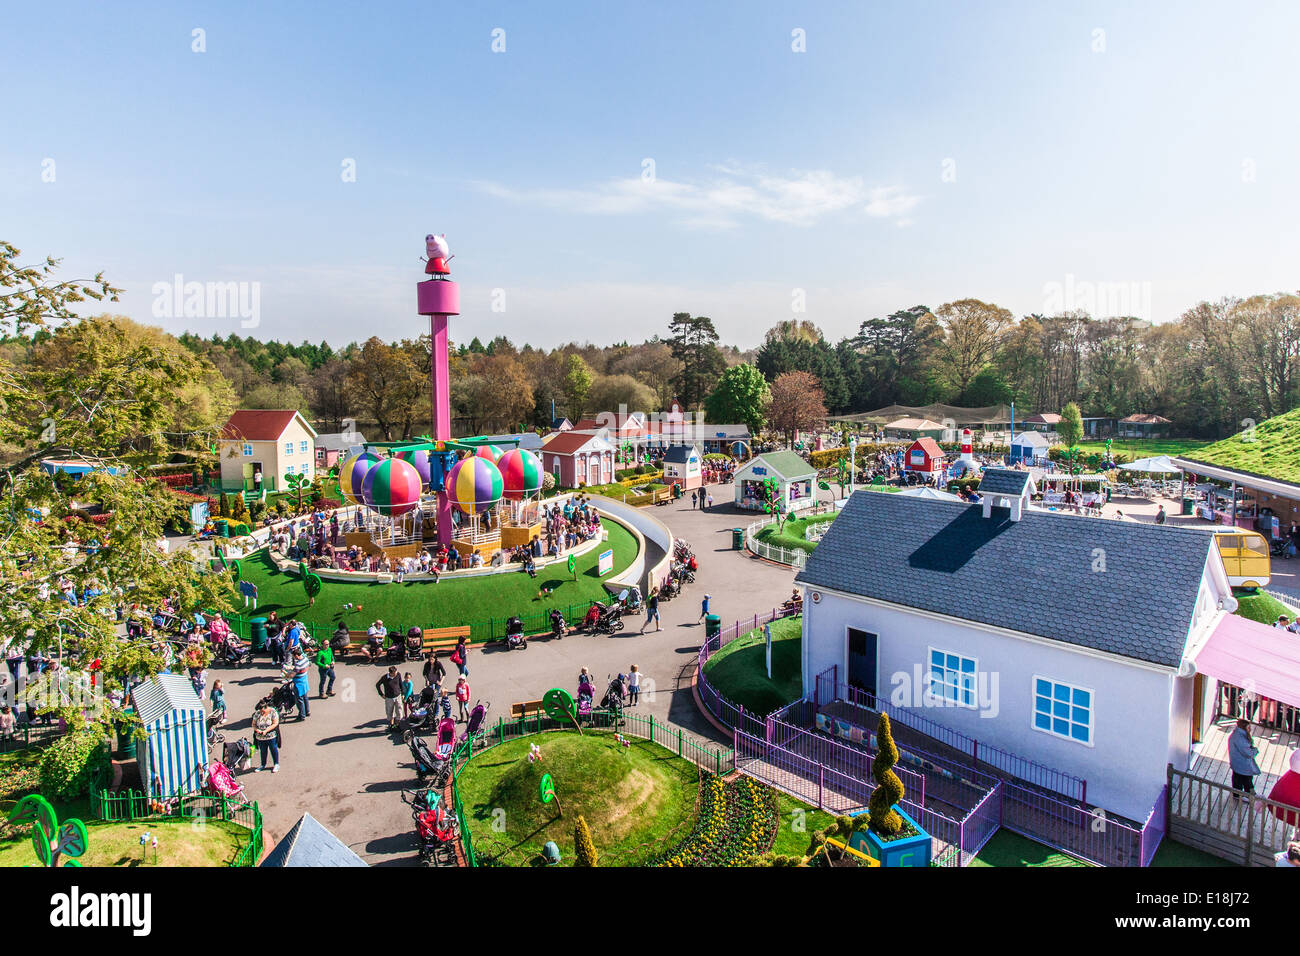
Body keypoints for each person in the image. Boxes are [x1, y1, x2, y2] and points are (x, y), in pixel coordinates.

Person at [1228, 718, 1262, 796]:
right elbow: (1248, 752)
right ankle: (1249, 795)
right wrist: (1255, 751)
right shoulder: (1241, 738)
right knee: (1247, 781)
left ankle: (1237, 794)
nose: (1250, 729)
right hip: (1242, 765)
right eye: (1248, 727)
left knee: (1237, 780)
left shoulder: (1237, 735)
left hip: (1237, 763)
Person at [252, 699, 280, 773]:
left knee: (273, 749)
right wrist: (257, 730)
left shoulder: (273, 711)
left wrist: (266, 731)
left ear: (265, 707)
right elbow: (253, 724)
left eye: (262, 711)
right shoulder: (257, 713)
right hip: (260, 737)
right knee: (263, 751)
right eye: (260, 711)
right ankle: (263, 764)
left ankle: (276, 764)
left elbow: (275, 723)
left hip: (271, 736)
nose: (261, 713)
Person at [376, 666, 405, 731]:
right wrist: (381, 694)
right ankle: (392, 725)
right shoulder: (384, 678)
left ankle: (397, 725)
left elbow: (401, 684)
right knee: (390, 712)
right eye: (395, 672)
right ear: (391, 673)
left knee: (399, 711)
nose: (396, 673)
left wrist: (402, 694)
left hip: (398, 696)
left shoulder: (398, 675)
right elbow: (377, 685)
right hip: (389, 698)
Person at [291, 649, 311, 719]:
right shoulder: (305, 659)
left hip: (298, 683)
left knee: (299, 700)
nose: (293, 657)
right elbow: (308, 666)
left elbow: (292, 675)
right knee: (305, 697)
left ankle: (302, 715)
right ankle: (307, 711)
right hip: (304, 680)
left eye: (293, 656)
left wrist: (285, 673)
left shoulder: (298, 664)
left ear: (296, 655)